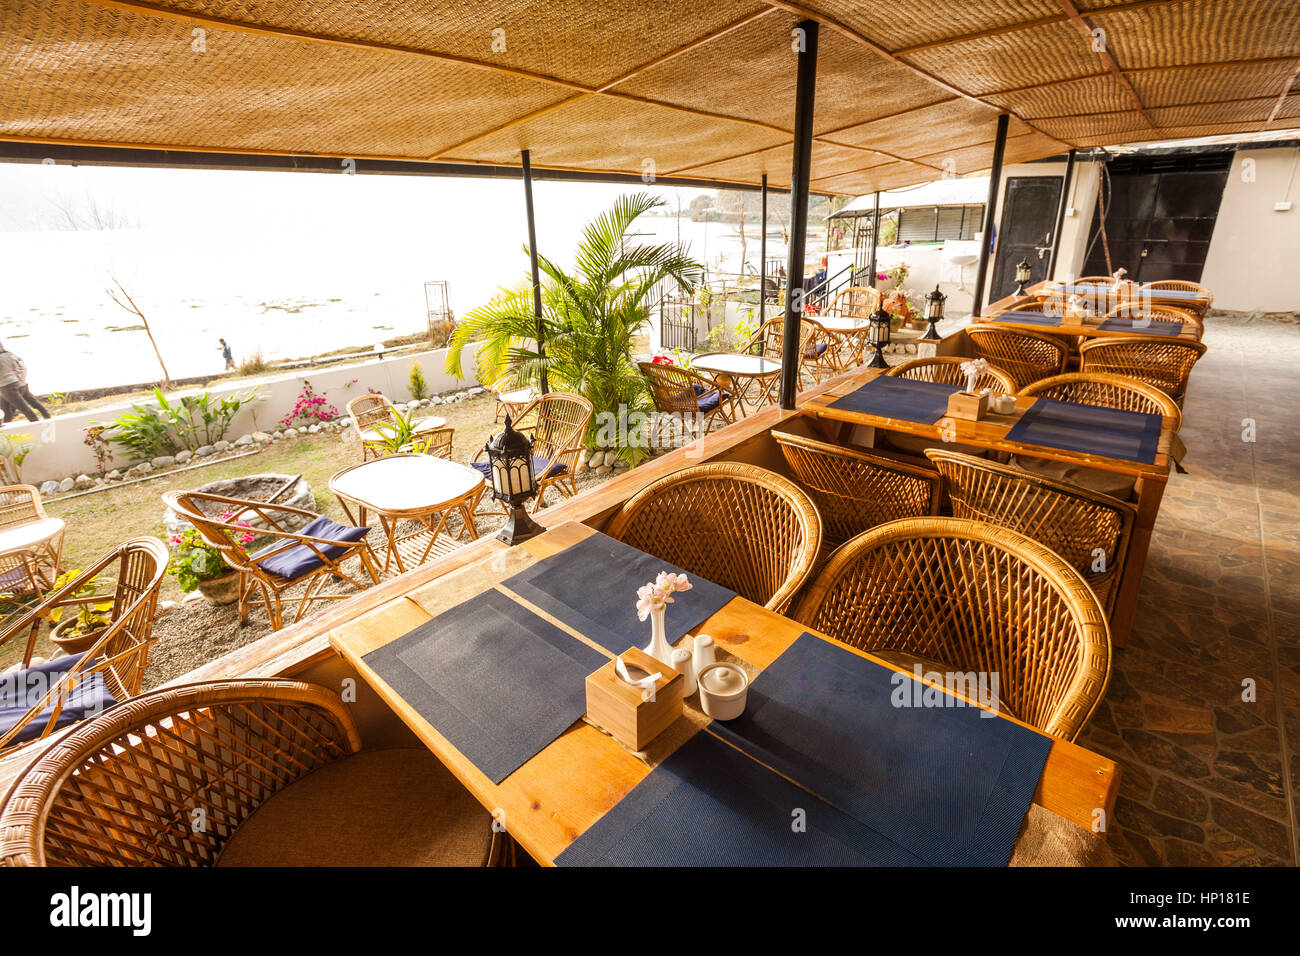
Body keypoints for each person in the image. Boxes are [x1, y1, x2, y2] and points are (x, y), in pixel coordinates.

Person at [0, 342, 48, 423]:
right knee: (5, 409)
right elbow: (22, 367)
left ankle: (35, 422)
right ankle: (46, 415)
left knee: (23, 407)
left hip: (7, 386)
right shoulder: (10, 355)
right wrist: (21, 381)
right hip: (16, 382)